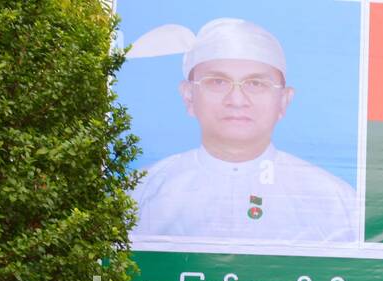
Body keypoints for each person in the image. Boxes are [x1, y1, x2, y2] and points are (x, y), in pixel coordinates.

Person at [130, 18, 359, 244]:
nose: (237, 100)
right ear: (188, 95)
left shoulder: (334, 201)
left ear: (283, 101)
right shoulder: (143, 191)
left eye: (256, 84)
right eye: (218, 82)